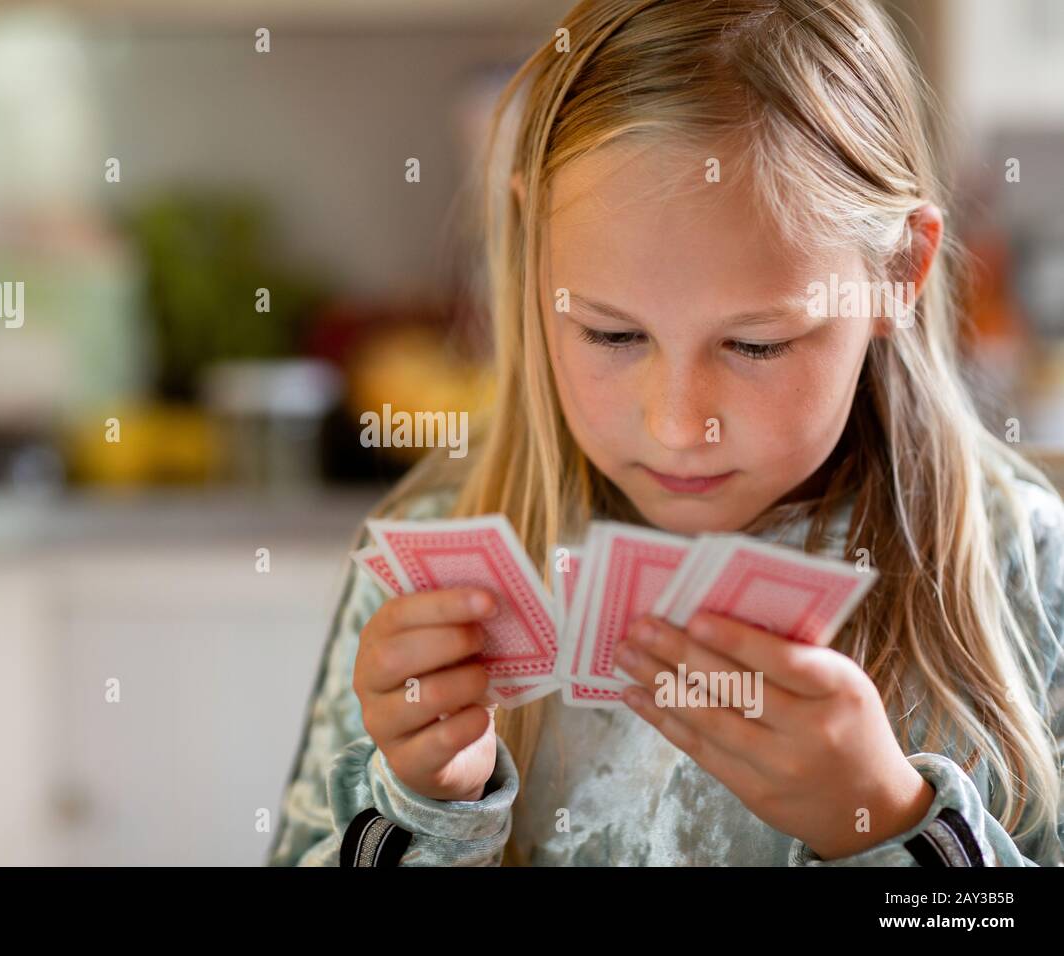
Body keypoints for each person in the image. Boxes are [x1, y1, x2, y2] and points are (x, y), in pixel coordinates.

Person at [268, 0, 1064, 866]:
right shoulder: (430, 570)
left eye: (756, 343)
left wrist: (889, 821)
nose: (680, 426)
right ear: (531, 252)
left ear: (900, 272)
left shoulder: (1026, 567)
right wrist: (423, 810)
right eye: (613, 335)